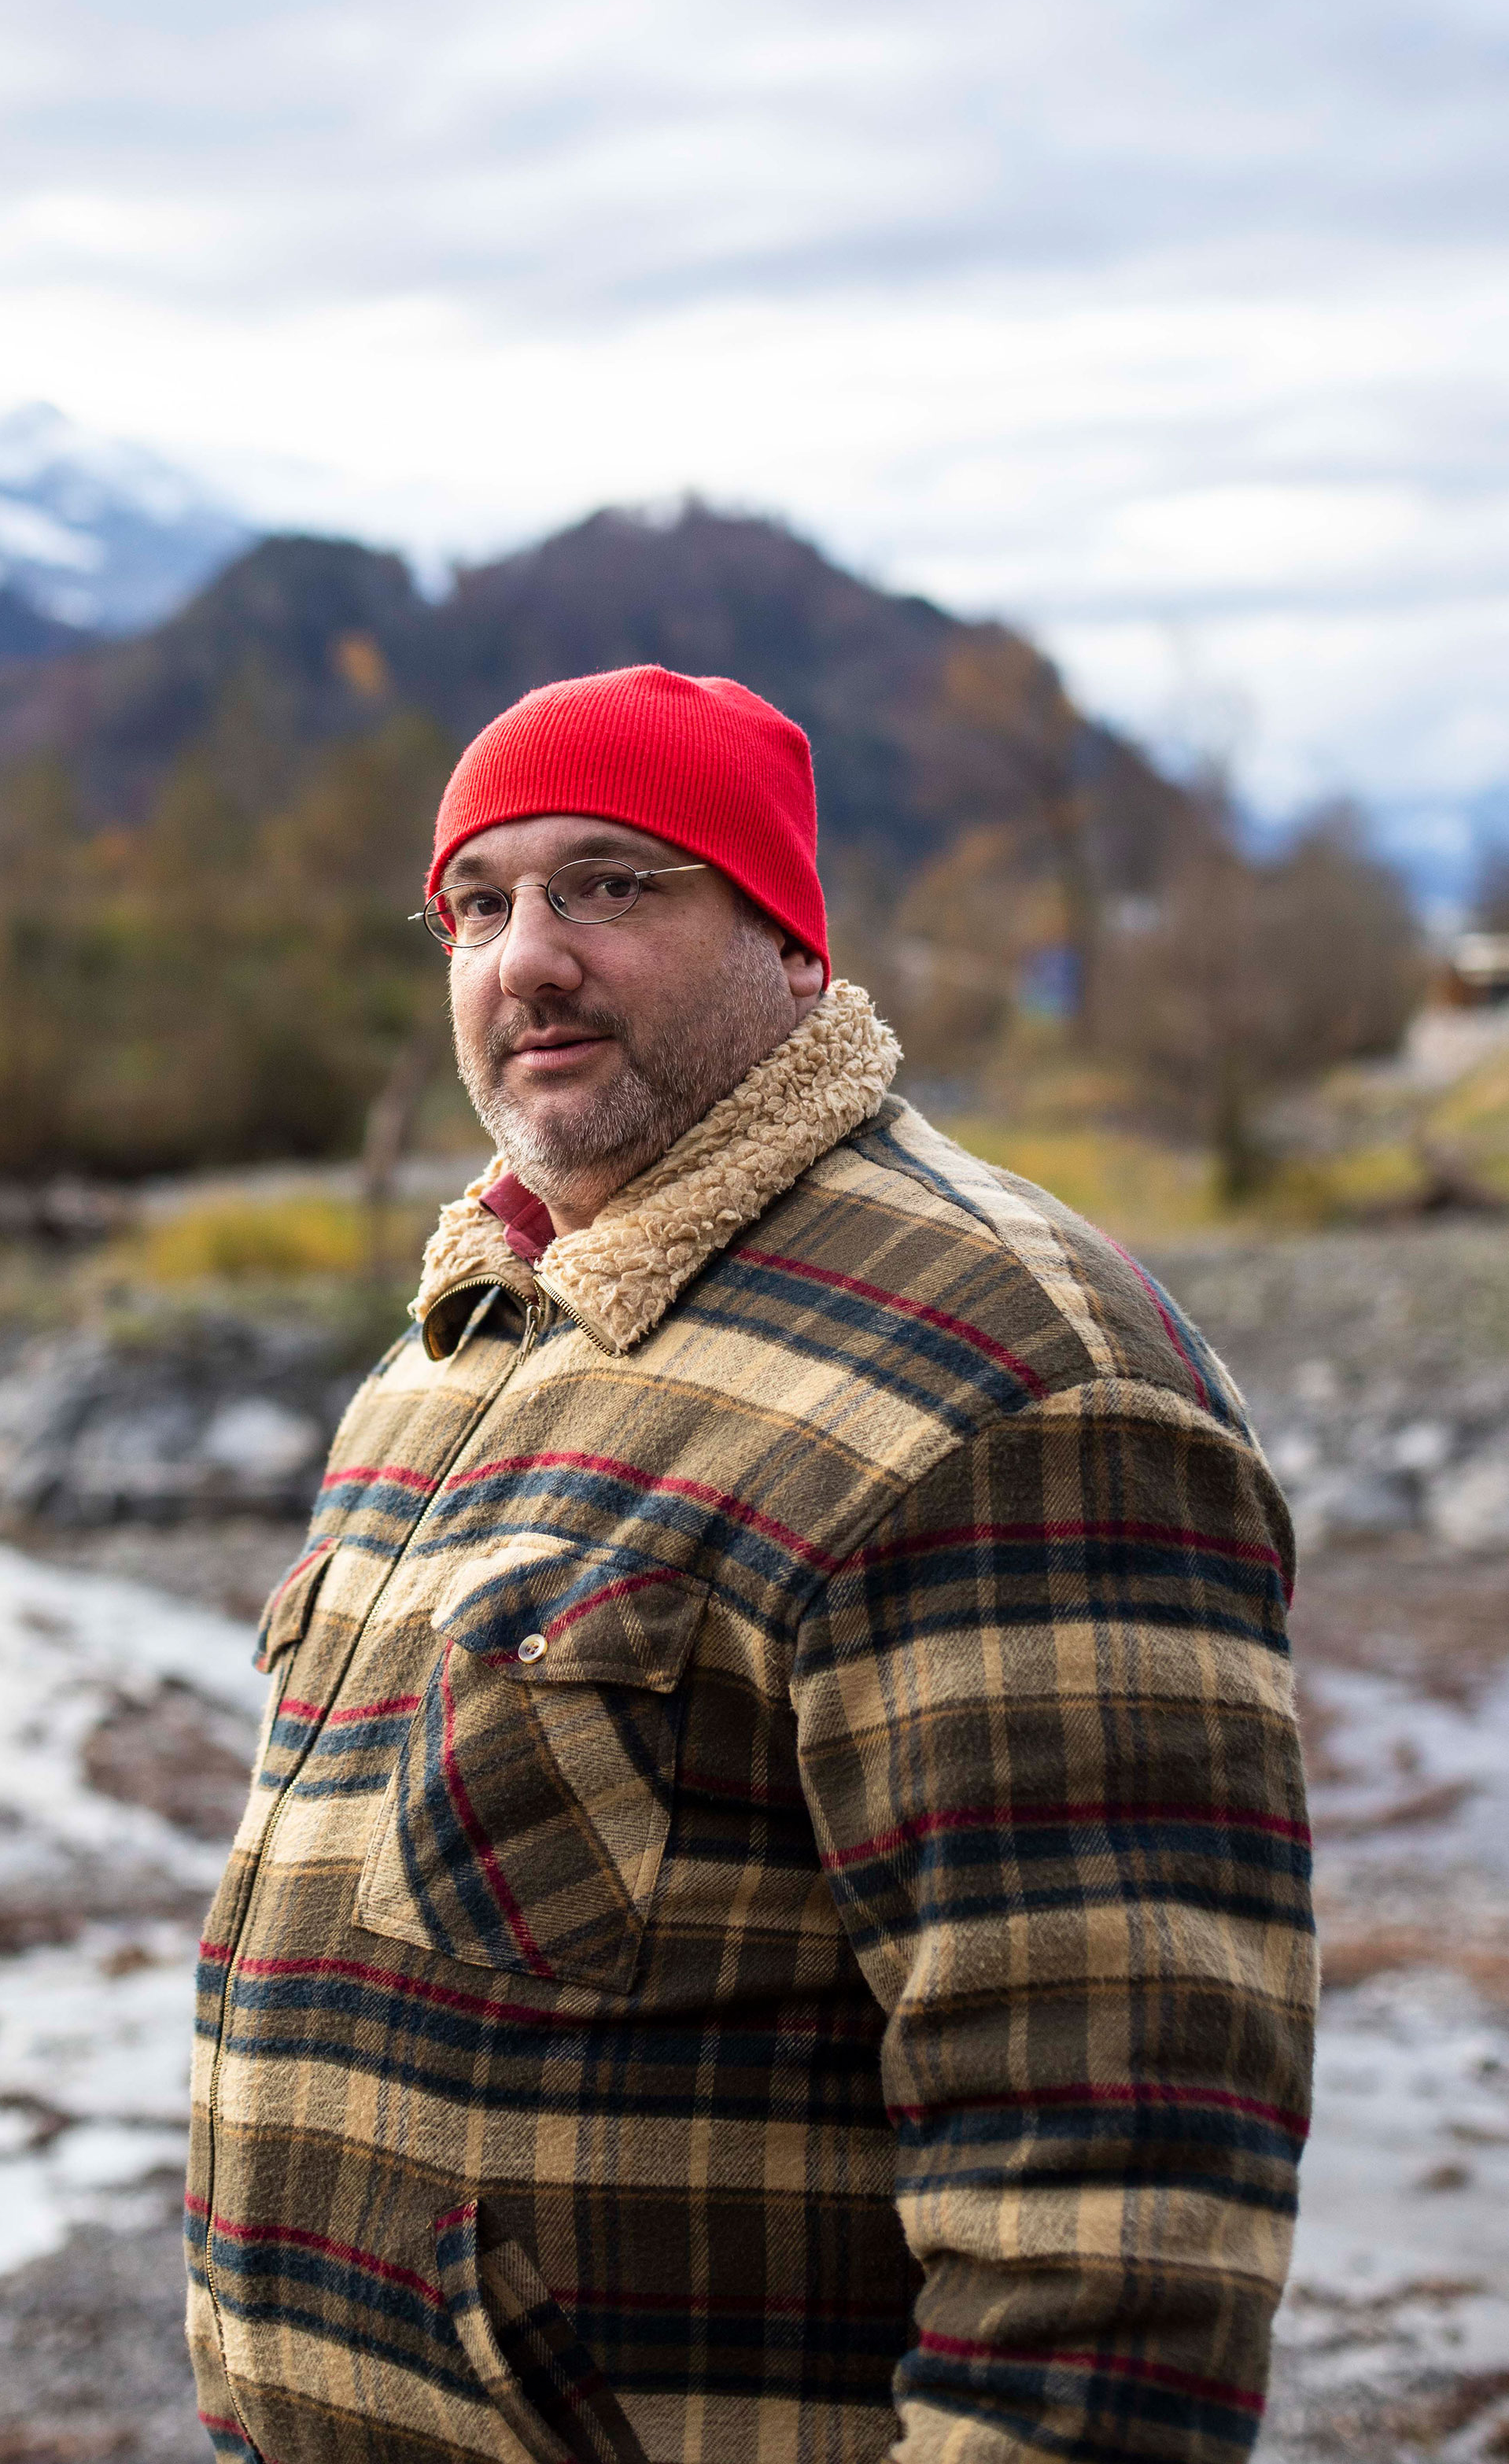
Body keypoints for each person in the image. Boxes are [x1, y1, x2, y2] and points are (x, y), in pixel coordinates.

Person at [187, 664, 1315, 2464]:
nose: (523, 957)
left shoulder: (1006, 1371)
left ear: (787, 940)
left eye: (610, 885)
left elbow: (1109, 2210)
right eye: (477, 905)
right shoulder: (461, 1334)